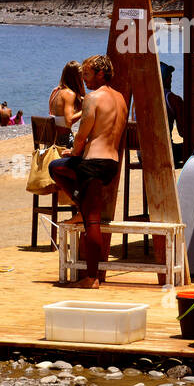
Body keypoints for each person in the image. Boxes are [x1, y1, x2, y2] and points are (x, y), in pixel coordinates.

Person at [48, 54, 127, 288]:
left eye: (88, 74)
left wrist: (73, 152)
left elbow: (82, 134)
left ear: (101, 74)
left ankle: (91, 278)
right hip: (111, 163)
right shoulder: (121, 98)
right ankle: (79, 202)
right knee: (59, 170)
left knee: (91, 220)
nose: (84, 79)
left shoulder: (93, 98)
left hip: (92, 162)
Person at [48, 61, 86, 146]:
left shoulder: (55, 91)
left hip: (52, 140)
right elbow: (69, 121)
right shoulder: (69, 94)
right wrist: (86, 109)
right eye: (82, 76)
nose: (84, 79)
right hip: (64, 141)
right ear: (77, 78)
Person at [160, 61, 187, 166]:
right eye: (169, 76)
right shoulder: (173, 99)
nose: (171, 80)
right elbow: (182, 132)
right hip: (166, 154)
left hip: (143, 155)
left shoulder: (141, 98)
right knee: (192, 147)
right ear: (163, 78)